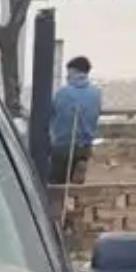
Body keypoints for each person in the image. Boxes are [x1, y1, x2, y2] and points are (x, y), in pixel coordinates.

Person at [49, 56, 102, 185]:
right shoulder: (96, 93)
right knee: (76, 188)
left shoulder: (63, 93)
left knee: (56, 183)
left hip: (63, 144)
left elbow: (52, 114)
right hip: (85, 145)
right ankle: (79, 170)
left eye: (68, 72)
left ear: (73, 71)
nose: (67, 76)